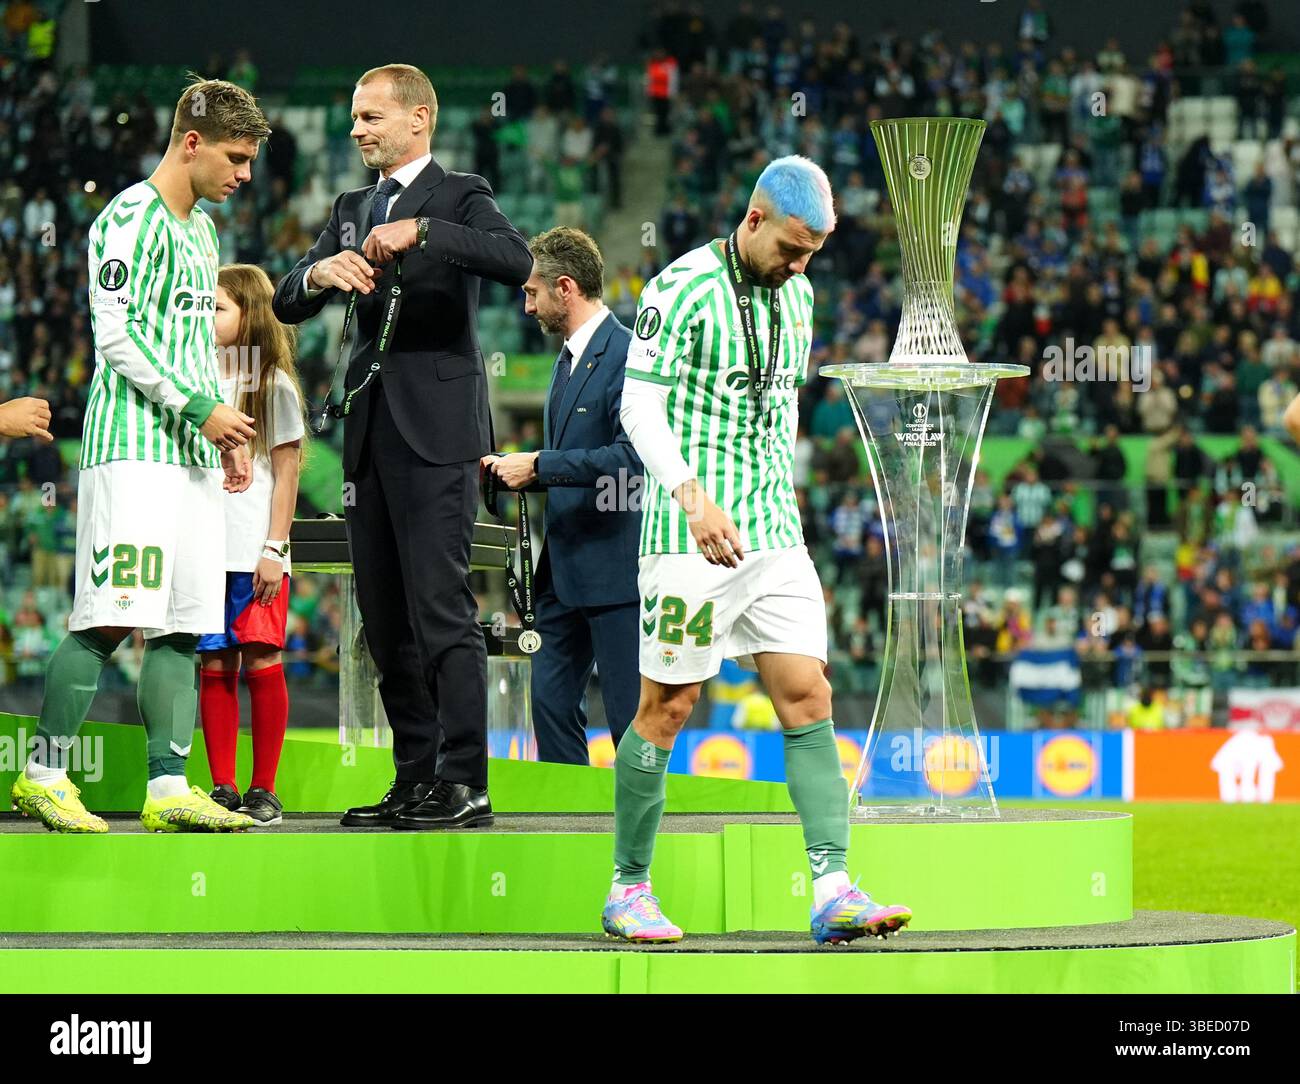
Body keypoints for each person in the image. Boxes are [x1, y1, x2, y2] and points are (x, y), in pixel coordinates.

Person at [602, 156, 912, 945]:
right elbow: (638, 406)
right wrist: (692, 497)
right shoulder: (680, 288)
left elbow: (780, 410)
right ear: (753, 220)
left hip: (773, 535)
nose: (802, 265)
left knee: (808, 696)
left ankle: (833, 889)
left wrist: (779, 493)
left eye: (813, 251)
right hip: (687, 537)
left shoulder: (798, 294)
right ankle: (628, 889)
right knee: (667, 709)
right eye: (793, 247)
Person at [272, 64, 532, 830]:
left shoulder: (460, 194)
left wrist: (419, 231)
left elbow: (516, 261)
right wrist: (321, 268)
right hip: (368, 433)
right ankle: (415, 777)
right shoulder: (351, 207)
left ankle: (466, 781)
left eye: (371, 117)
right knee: (384, 619)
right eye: (354, 118)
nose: (357, 130)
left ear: (419, 119)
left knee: (439, 610)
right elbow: (288, 297)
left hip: (439, 432)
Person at [10, 78, 270, 834]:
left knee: (184, 627)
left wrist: (216, 434)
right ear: (192, 141)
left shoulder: (203, 235)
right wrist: (199, 410)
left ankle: (166, 789)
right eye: (235, 156)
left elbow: (188, 349)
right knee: (106, 617)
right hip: (131, 453)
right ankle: (44, 774)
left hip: (188, 454)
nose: (244, 175)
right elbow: (117, 339)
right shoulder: (129, 216)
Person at [485, 227, 642, 764]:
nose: (527, 306)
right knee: (550, 707)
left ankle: (640, 840)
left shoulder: (628, 353)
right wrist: (517, 465)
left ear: (566, 288)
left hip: (617, 569)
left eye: (533, 292)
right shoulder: (567, 358)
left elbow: (632, 459)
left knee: (629, 720)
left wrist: (541, 467)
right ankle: (570, 823)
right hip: (562, 571)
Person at [197, 265, 307, 826]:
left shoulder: (274, 385)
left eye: (217, 307)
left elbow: (286, 476)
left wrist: (275, 548)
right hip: (203, 549)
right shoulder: (190, 382)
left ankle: (264, 789)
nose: (206, 315)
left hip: (254, 552)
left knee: (262, 657)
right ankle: (222, 786)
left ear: (250, 315)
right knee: (214, 661)